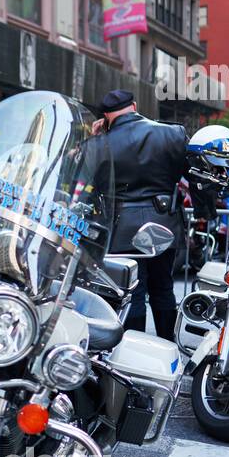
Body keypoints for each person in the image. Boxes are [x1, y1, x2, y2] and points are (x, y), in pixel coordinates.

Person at [92, 89, 187, 341]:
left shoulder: (101, 143)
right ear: (134, 106)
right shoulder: (172, 133)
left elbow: (95, 184)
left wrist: (98, 138)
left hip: (122, 226)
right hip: (163, 223)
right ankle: (168, 344)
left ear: (106, 115)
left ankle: (134, 350)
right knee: (163, 288)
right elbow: (191, 176)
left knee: (133, 291)